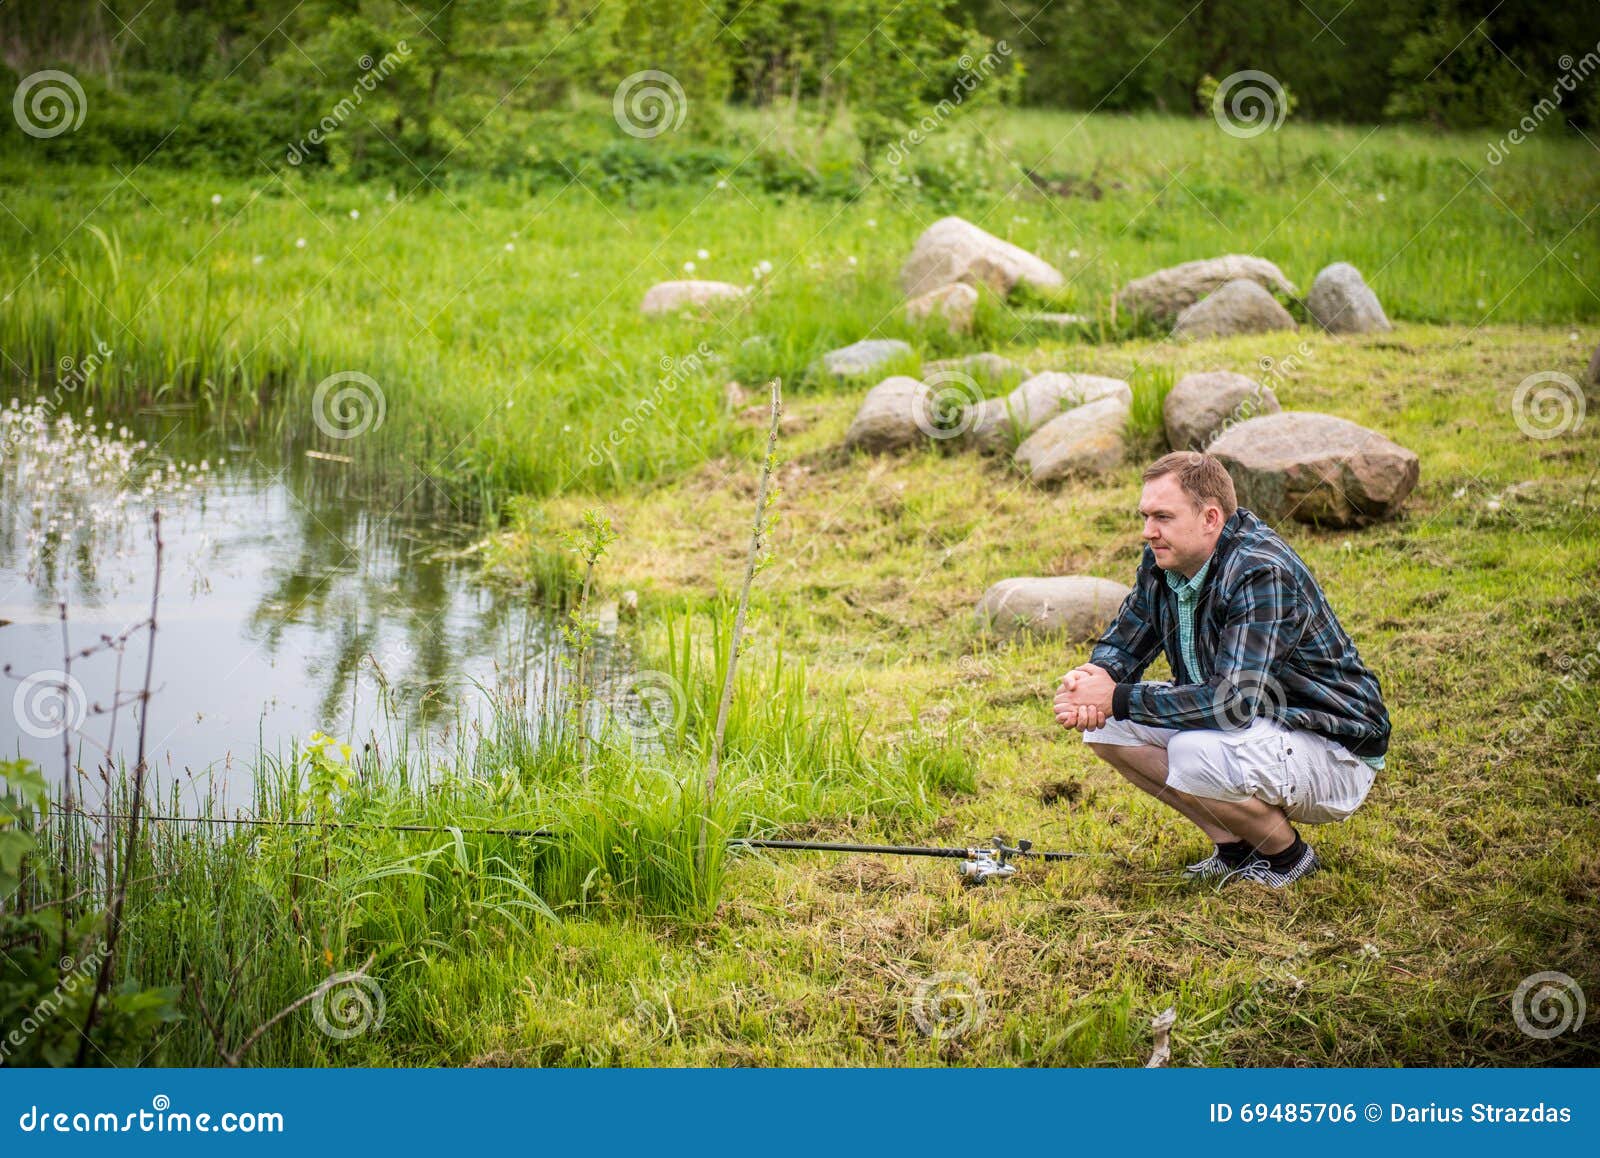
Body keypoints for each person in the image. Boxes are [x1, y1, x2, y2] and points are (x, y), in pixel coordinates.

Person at [1053, 451, 1391, 887]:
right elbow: (1127, 639)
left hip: (1333, 749)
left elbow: (1232, 702)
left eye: (1162, 517)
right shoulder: (1164, 560)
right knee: (1106, 729)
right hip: (1257, 728)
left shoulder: (1260, 571)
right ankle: (1234, 847)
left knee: (1191, 753)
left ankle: (1287, 857)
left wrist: (1117, 697)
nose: (1148, 531)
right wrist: (1095, 678)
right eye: (1145, 516)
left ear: (1210, 517)